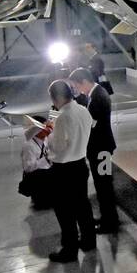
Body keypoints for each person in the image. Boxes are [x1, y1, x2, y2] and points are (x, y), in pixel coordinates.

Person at [37, 80, 95, 262]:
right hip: (80, 164)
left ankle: (69, 249)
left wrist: (47, 138)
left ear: (56, 97)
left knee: (65, 211)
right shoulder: (83, 110)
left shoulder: (62, 117)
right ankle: (88, 240)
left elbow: (58, 146)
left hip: (63, 170)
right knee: (83, 206)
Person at [70, 68, 119, 232]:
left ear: (83, 82)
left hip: (102, 148)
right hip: (98, 147)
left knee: (104, 185)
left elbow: (91, 123)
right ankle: (107, 217)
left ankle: (110, 221)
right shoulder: (94, 94)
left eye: (77, 86)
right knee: (101, 185)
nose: (77, 90)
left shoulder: (99, 96)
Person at [19, 120, 52, 207]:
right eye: (44, 128)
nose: (48, 130)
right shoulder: (29, 145)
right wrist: (46, 159)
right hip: (37, 177)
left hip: (46, 172)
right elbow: (28, 168)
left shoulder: (45, 140)